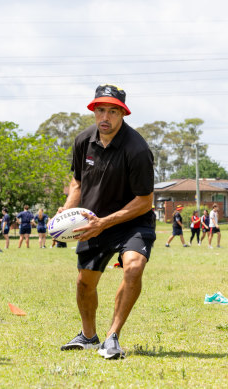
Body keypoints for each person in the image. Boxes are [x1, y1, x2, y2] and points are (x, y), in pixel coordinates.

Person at [59, 84, 156, 359]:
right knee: (84, 283)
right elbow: (78, 181)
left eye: (113, 111)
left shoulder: (136, 149)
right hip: (92, 221)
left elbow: (144, 201)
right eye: (100, 110)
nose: (105, 117)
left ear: (123, 114)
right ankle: (88, 336)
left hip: (132, 220)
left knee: (134, 267)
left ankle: (112, 337)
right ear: (93, 110)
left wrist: (105, 222)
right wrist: (66, 213)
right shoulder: (83, 141)